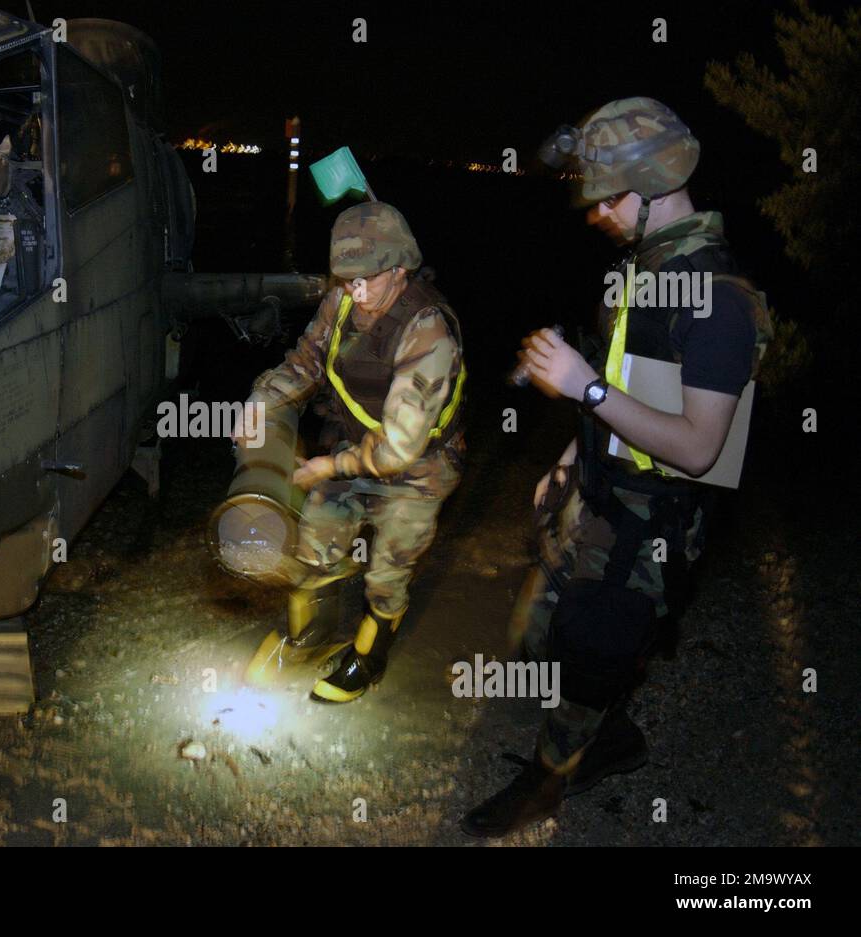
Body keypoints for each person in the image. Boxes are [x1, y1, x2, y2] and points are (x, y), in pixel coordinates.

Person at [461, 97, 774, 836]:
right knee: (537, 631)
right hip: (601, 494)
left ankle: (548, 781)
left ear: (656, 186)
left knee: (584, 660)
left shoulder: (721, 301)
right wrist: (571, 454)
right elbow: (627, 377)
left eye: (607, 199)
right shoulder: (647, 265)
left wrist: (583, 386)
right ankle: (608, 732)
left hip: (651, 526)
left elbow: (699, 445)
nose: (595, 214)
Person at [239, 201, 466, 703]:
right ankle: (309, 639)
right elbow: (307, 361)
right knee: (315, 546)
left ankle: (369, 659)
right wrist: (261, 402)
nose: (355, 291)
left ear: (400, 269)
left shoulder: (427, 332)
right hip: (354, 450)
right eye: (345, 279)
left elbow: (399, 449)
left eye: (368, 279)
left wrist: (328, 465)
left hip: (420, 467)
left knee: (387, 572)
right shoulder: (343, 299)